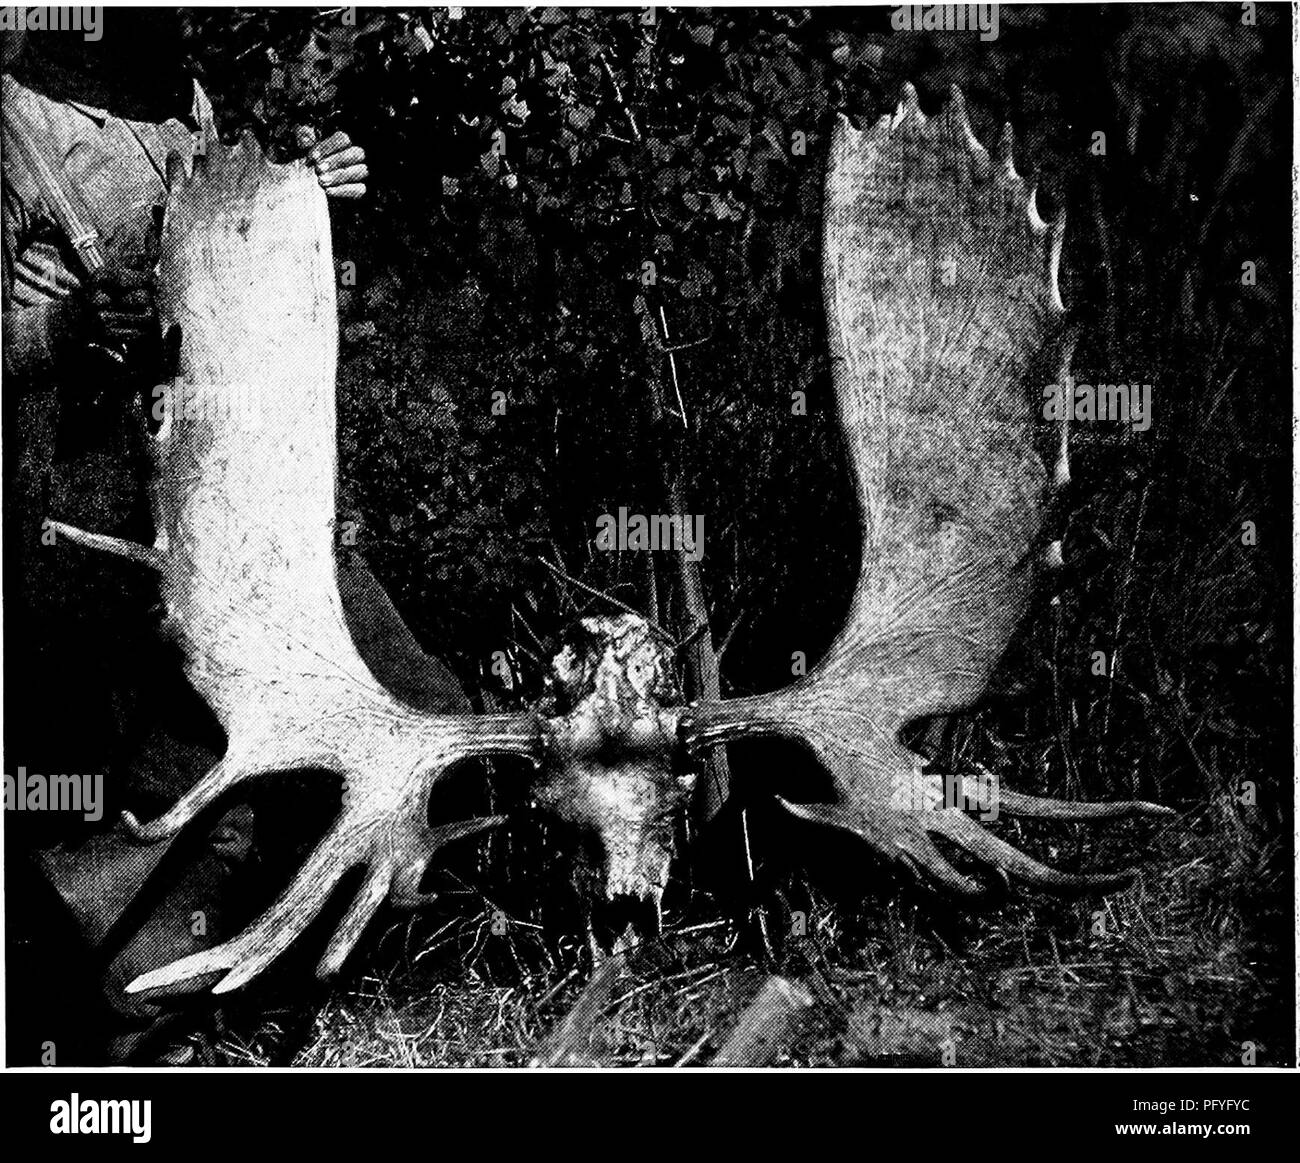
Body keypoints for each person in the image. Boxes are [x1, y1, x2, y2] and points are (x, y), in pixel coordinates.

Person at [2, 13, 466, 1064]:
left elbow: (229, 284)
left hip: (251, 495)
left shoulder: (184, 93)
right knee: (189, 774)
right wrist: (60, 329)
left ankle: (261, 990)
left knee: (414, 701)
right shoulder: (14, 121)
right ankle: (141, 1015)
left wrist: (303, 198)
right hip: (105, 522)